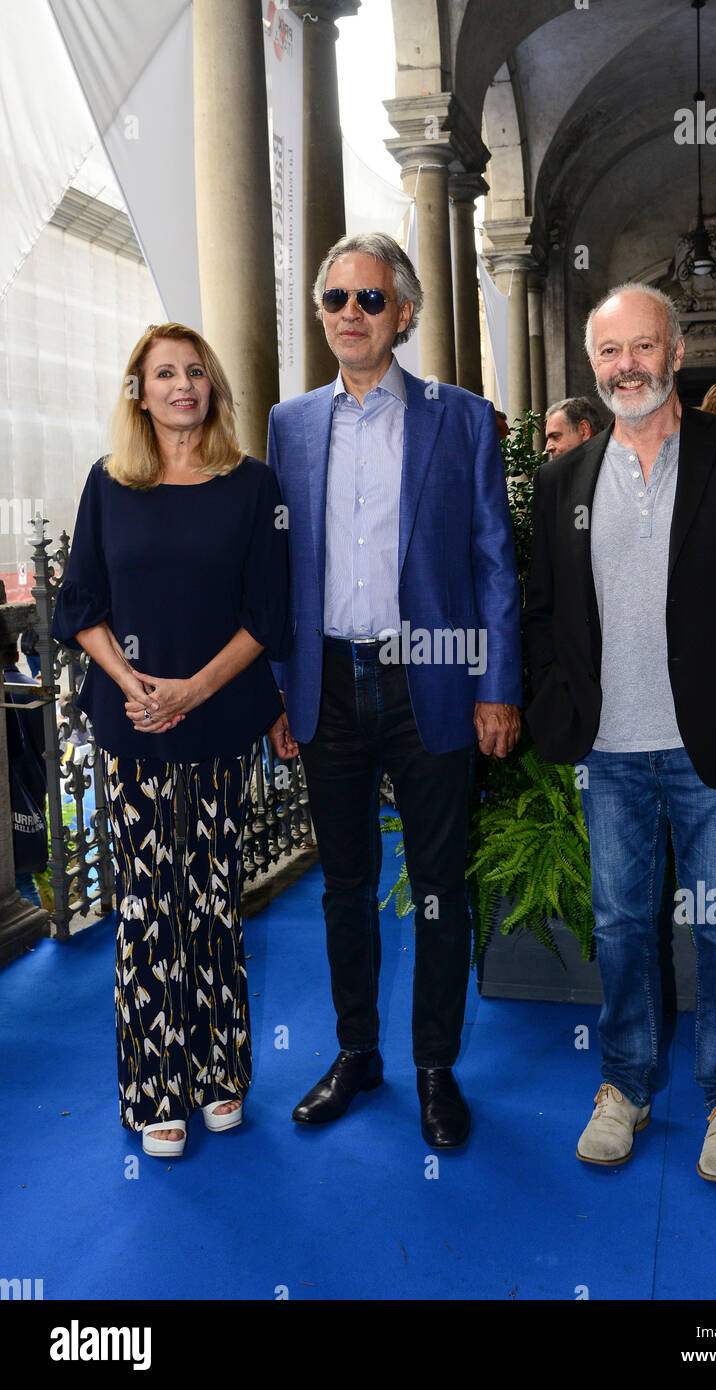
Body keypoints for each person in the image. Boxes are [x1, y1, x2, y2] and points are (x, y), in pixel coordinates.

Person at [523, 283, 716, 1183]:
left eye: (642, 348)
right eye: (609, 353)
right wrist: (552, 710)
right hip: (608, 753)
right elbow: (543, 612)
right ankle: (626, 1085)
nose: (626, 367)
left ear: (677, 353)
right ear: (593, 363)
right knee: (620, 927)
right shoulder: (562, 478)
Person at [267, 232, 521, 1148]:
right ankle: (357, 1052)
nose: (349, 315)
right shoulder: (289, 424)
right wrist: (282, 690)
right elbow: (279, 568)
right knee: (344, 886)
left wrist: (496, 685)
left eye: (369, 300)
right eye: (334, 299)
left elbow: (493, 558)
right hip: (328, 683)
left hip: (434, 683)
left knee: (442, 885)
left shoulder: (461, 418)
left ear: (404, 314)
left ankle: (434, 1067)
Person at [51, 323, 290, 1159]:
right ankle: (156, 1089)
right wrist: (132, 685)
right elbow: (78, 602)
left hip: (220, 724)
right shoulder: (107, 485)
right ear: (139, 391)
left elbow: (268, 616)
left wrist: (191, 689)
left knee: (214, 898)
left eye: (195, 372)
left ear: (213, 388)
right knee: (149, 908)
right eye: (164, 373)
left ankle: (220, 1072)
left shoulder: (251, 486)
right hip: (133, 729)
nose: (183, 385)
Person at [3, 641, 47, 907]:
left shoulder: (11, 689)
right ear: (17, 655)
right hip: (33, 782)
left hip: (12, 783)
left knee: (16, 878)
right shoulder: (31, 687)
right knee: (23, 874)